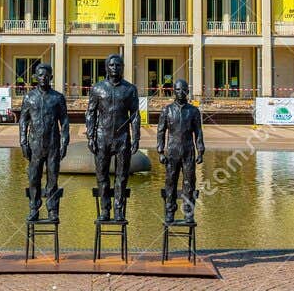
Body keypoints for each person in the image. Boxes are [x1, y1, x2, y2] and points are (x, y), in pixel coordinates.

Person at [84, 53, 141, 221]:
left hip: (123, 138)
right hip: (102, 136)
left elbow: (135, 115)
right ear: (106, 67)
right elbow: (90, 114)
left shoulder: (130, 89)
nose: (115, 68)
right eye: (112, 65)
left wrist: (136, 138)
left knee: (122, 177)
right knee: (102, 176)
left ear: (122, 67)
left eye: (118, 65)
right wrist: (90, 136)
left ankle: (118, 210)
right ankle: (105, 209)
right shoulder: (97, 88)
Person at [18, 63, 69, 222]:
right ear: (35, 77)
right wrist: (23, 142)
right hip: (35, 145)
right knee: (34, 178)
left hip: (53, 144)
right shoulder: (29, 97)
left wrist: (64, 141)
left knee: (52, 179)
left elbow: (65, 121)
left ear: (51, 77)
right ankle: (34, 208)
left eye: (46, 75)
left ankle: (52, 210)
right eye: (40, 75)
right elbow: (23, 122)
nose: (43, 78)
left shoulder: (57, 97)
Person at [155, 78, 205, 223]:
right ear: (173, 91)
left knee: (189, 182)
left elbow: (198, 132)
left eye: (183, 90)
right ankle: (170, 211)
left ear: (187, 92)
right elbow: (160, 131)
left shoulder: (194, 111)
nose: (181, 92)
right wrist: (160, 151)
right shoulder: (167, 110)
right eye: (177, 90)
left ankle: (188, 212)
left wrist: (200, 151)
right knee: (170, 182)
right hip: (172, 151)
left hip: (188, 151)